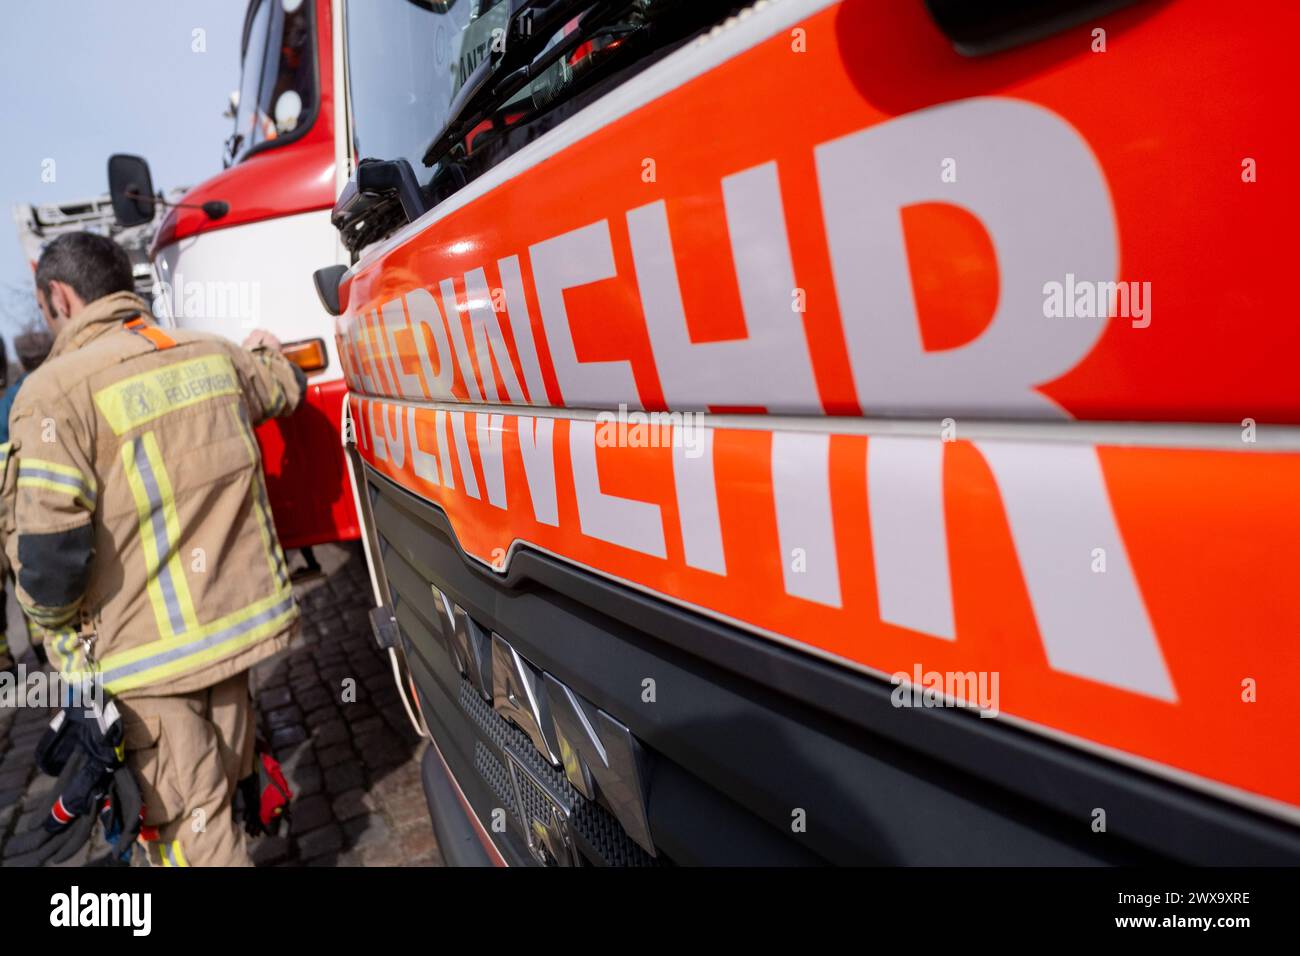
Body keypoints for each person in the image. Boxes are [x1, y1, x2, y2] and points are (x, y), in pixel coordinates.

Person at [4, 230, 306, 866]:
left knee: (193, 838)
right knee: (221, 792)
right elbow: (283, 387)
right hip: (235, 633)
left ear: (59, 296)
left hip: (144, 668)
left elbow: (51, 562)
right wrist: (267, 350)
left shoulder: (53, 394)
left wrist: (58, 643)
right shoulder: (208, 353)